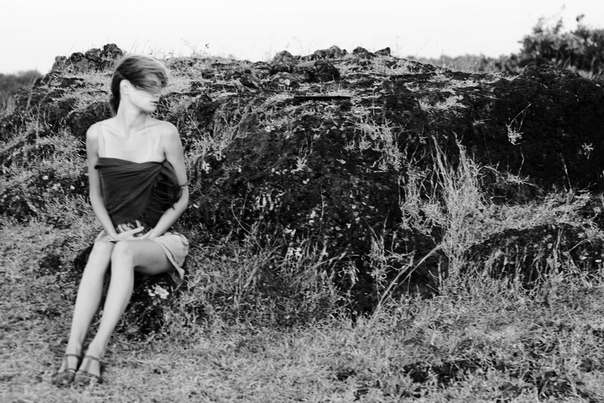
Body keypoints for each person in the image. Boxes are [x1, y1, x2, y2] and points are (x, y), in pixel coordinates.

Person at [51, 55, 189, 387]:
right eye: (151, 87)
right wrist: (112, 232)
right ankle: (72, 351)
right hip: (118, 235)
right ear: (126, 87)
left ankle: (96, 351)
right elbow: (95, 195)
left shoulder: (165, 132)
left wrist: (150, 235)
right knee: (103, 248)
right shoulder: (97, 134)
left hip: (160, 240)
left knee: (123, 251)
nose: (158, 95)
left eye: (160, 88)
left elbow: (183, 196)